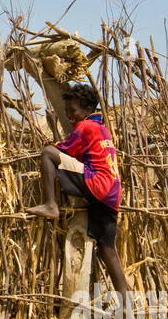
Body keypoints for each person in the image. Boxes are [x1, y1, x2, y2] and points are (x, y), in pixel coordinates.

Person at [27, 81, 129, 306]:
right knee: (107, 250)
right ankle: (126, 301)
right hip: (111, 193)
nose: (70, 116)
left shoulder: (85, 127)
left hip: (96, 184)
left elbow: (59, 151)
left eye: (72, 111)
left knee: (45, 154)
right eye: (67, 112)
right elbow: (76, 154)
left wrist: (53, 126)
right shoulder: (101, 129)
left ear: (86, 110)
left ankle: (51, 205)